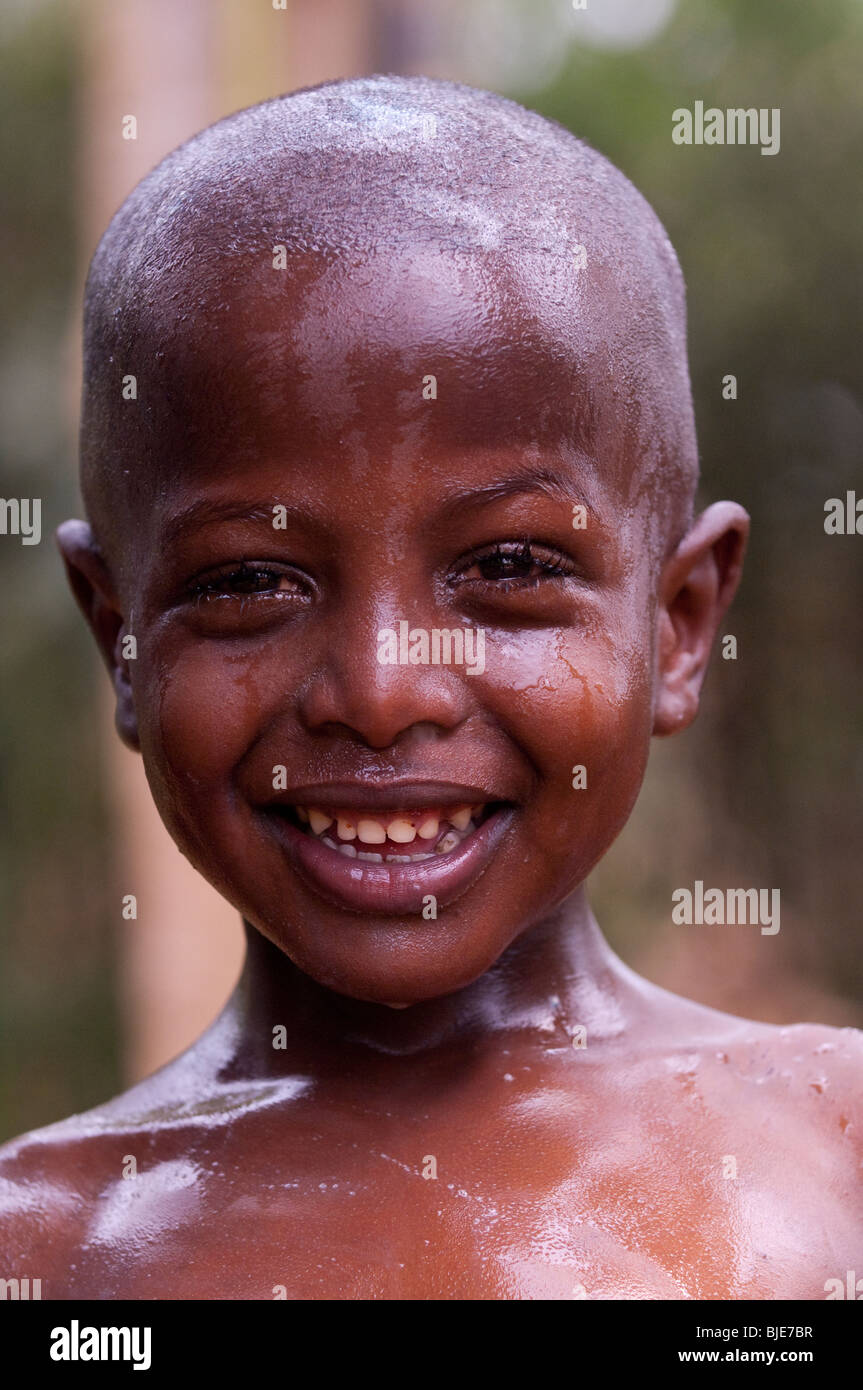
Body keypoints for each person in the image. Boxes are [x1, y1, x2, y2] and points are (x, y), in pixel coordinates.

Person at [1, 75, 859, 1300]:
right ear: (120, 637)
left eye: (508, 566)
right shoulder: (47, 1254)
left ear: (677, 626)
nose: (381, 689)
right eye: (251, 580)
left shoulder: (833, 1160)